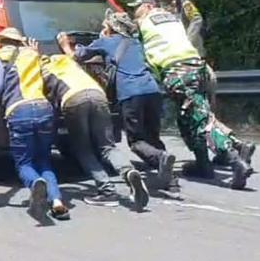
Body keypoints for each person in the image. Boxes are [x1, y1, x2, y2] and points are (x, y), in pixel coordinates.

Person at [132, 0, 257, 189]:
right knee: (188, 120)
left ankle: (235, 160)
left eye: (137, 7)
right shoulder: (172, 18)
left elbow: (132, 41)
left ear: (148, 6)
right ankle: (203, 165)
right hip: (196, 67)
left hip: (177, 72)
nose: (134, 12)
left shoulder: (144, 21)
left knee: (200, 123)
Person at [61, 11, 178, 195]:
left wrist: (65, 45)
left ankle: (161, 157)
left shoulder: (105, 42)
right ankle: (171, 182)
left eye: (104, 26)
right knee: (152, 137)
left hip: (131, 94)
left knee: (136, 141)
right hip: (153, 90)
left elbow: (77, 56)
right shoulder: (137, 42)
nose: (102, 29)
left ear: (110, 28)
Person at [0, 27, 68, 223]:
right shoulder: (32, 55)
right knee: (44, 159)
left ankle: (35, 183)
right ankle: (56, 201)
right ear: (19, 41)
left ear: (1, 41)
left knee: (24, 162)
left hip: (19, 110)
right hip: (44, 109)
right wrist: (35, 52)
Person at [41, 52, 150, 211]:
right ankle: (128, 171)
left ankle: (107, 191)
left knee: (83, 149)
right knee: (107, 146)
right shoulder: (69, 63)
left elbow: (50, 99)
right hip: (98, 94)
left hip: (73, 100)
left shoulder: (44, 70)